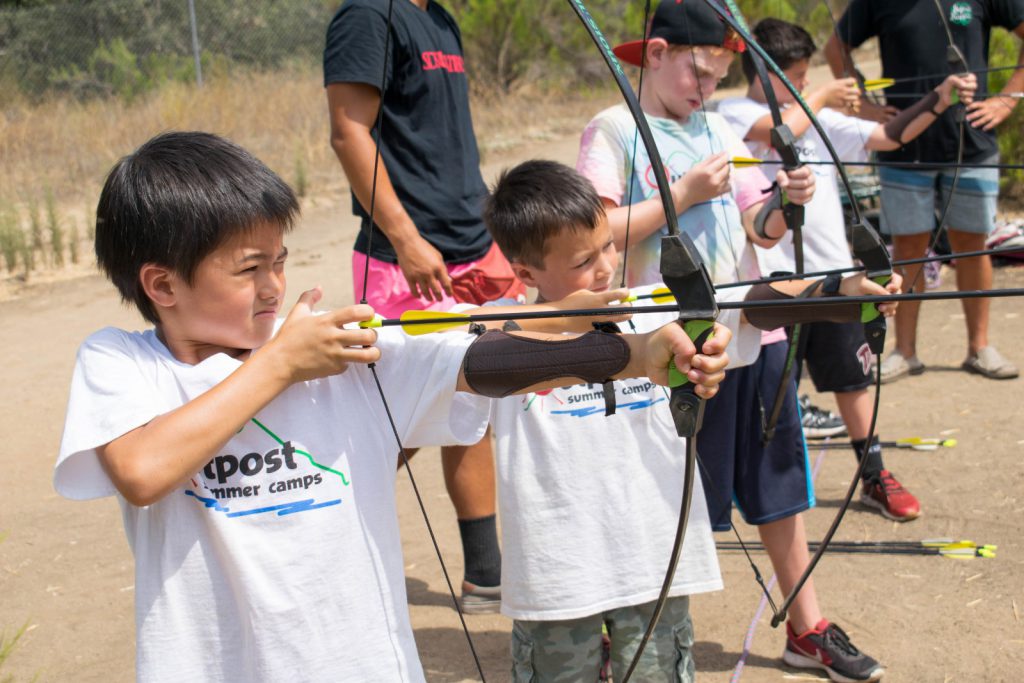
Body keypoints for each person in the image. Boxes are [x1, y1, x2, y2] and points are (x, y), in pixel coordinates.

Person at [52, 131, 718, 683]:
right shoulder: (124, 362)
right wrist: (280, 364)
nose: (275, 285)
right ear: (162, 284)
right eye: (250, 269)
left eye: (280, 262)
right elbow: (141, 470)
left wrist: (635, 354)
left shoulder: (342, 357)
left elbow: (481, 362)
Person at [479, 159, 902, 682]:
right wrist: (564, 319)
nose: (606, 267)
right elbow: (457, 337)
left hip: (655, 559)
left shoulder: (648, 307)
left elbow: (750, 302)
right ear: (526, 274)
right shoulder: (501, 337)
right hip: (558, 573)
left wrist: (840, 292)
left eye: (609, 246)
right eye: (584, 260)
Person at [575, 2, 900, 680]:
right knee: (656, 501)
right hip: (666, 351)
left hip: (752, 334)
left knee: (778, 485)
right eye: (698, 70)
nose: (707, 86)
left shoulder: (719, 126)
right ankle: (626, 632)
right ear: (655, 53)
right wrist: (687, 190)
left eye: (720, 74)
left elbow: (758, 226)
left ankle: (807, 627)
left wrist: (786, 202)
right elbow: (596, 235)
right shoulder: (613, 130)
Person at [718, 18, 975, 521]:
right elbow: (775, 132)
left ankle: (873, 474)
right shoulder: (733, 114)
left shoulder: (815, 117)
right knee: (771, 390)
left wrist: (939, 100)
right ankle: (757, 485)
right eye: (795, 76)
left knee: (853, 379)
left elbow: (888, 135)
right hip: (776, 285)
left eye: (805, 75)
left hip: (836, 276)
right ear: (767, 75)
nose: (804, 83)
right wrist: (821, 95)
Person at [323, 0, 522, 610]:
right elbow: (348, 131)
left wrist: (490, 234)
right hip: (405, 258)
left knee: (474, 398)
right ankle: (312, 524)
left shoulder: (438, 16)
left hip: (472, 245)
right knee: (398, 415)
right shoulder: (368, 15)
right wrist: (406, 238)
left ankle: (485, 575)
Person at [825, 0, 1024, 382]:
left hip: (973, 145)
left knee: (973, 244)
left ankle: (980, 348)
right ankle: (904, 352)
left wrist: (1007, 98)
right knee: (908, 248)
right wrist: (864, 106)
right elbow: (836, 48)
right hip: (903, 150)